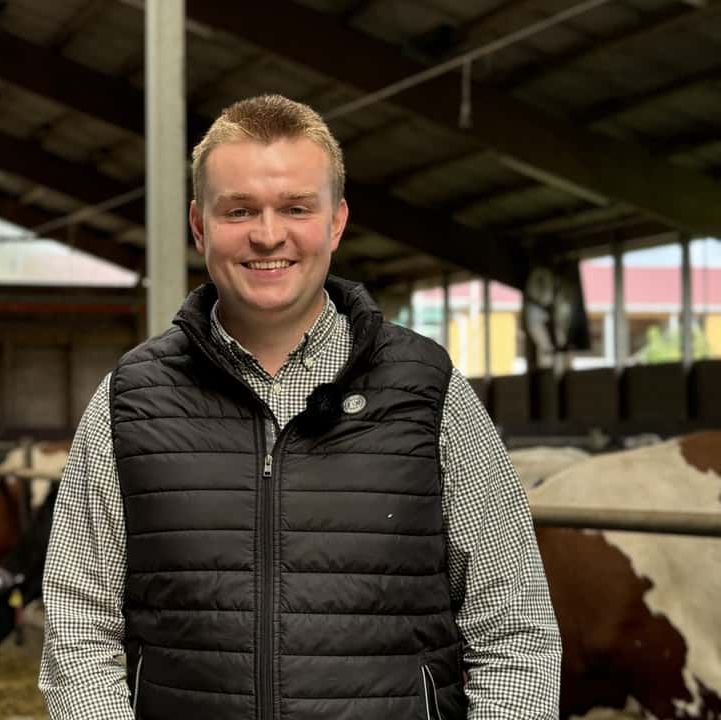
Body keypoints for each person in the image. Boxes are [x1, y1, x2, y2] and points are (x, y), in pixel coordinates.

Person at [38, 94, 561, 719]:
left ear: (335, 223)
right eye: (239, 210)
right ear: (200, 225)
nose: (267, 233)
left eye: (295, 208)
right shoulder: (130, 399)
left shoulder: (429, 391)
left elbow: (516, 627)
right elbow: (77, 629)